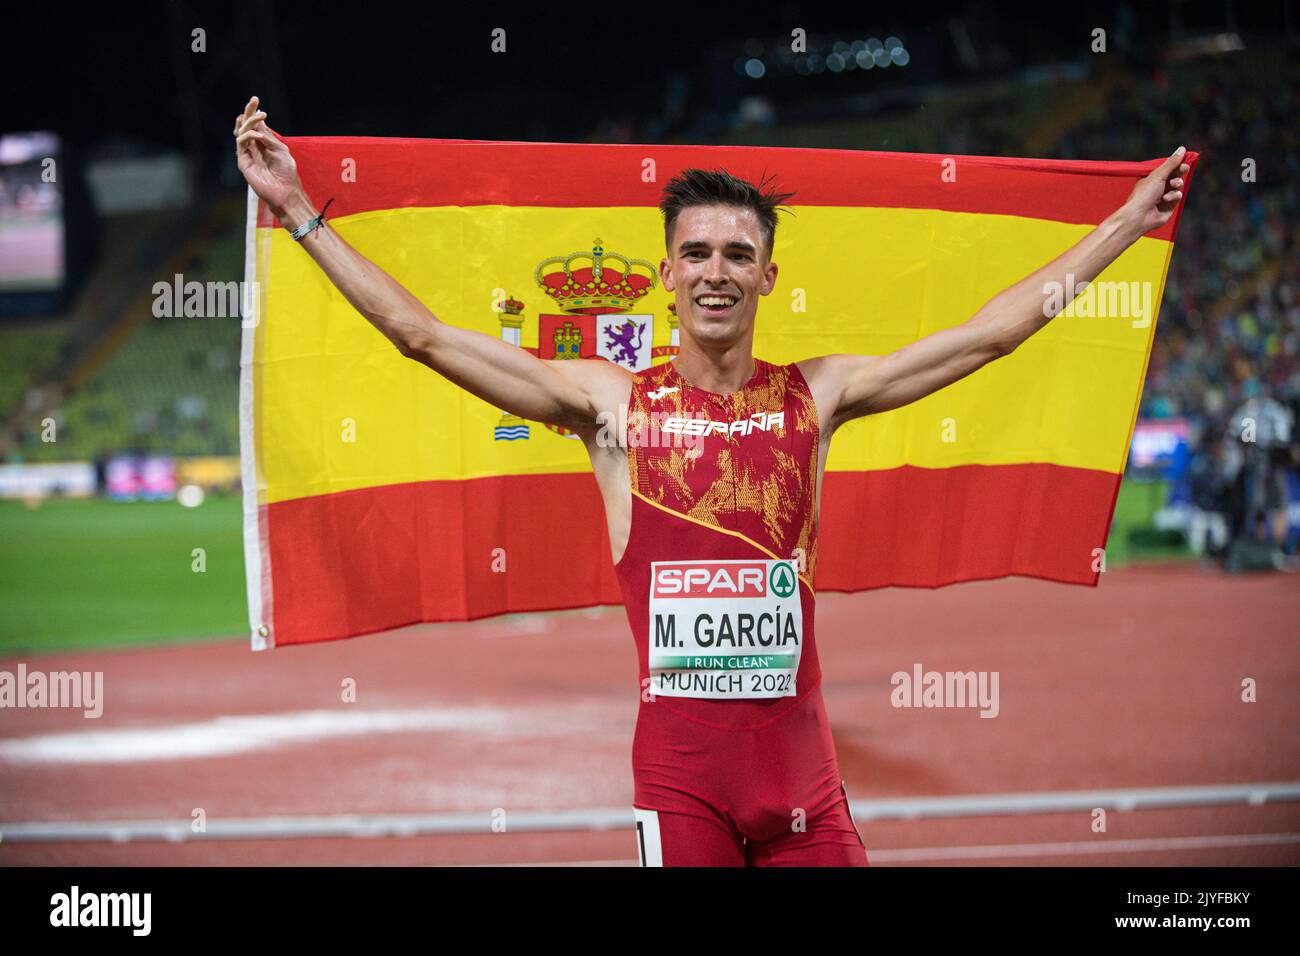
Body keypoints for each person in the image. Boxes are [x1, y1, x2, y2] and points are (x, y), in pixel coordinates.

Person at [234, 95, 1190, 866]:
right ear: (666, 275)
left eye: (739, 254)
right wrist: (301, 214)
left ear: (770, 275)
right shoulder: (613, 407)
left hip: (804, 779)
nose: (717, 272)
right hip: (681, 784)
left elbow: (991, 334)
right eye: (697, 253)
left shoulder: (822, 395)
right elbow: (424, 336)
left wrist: (1122, 227)